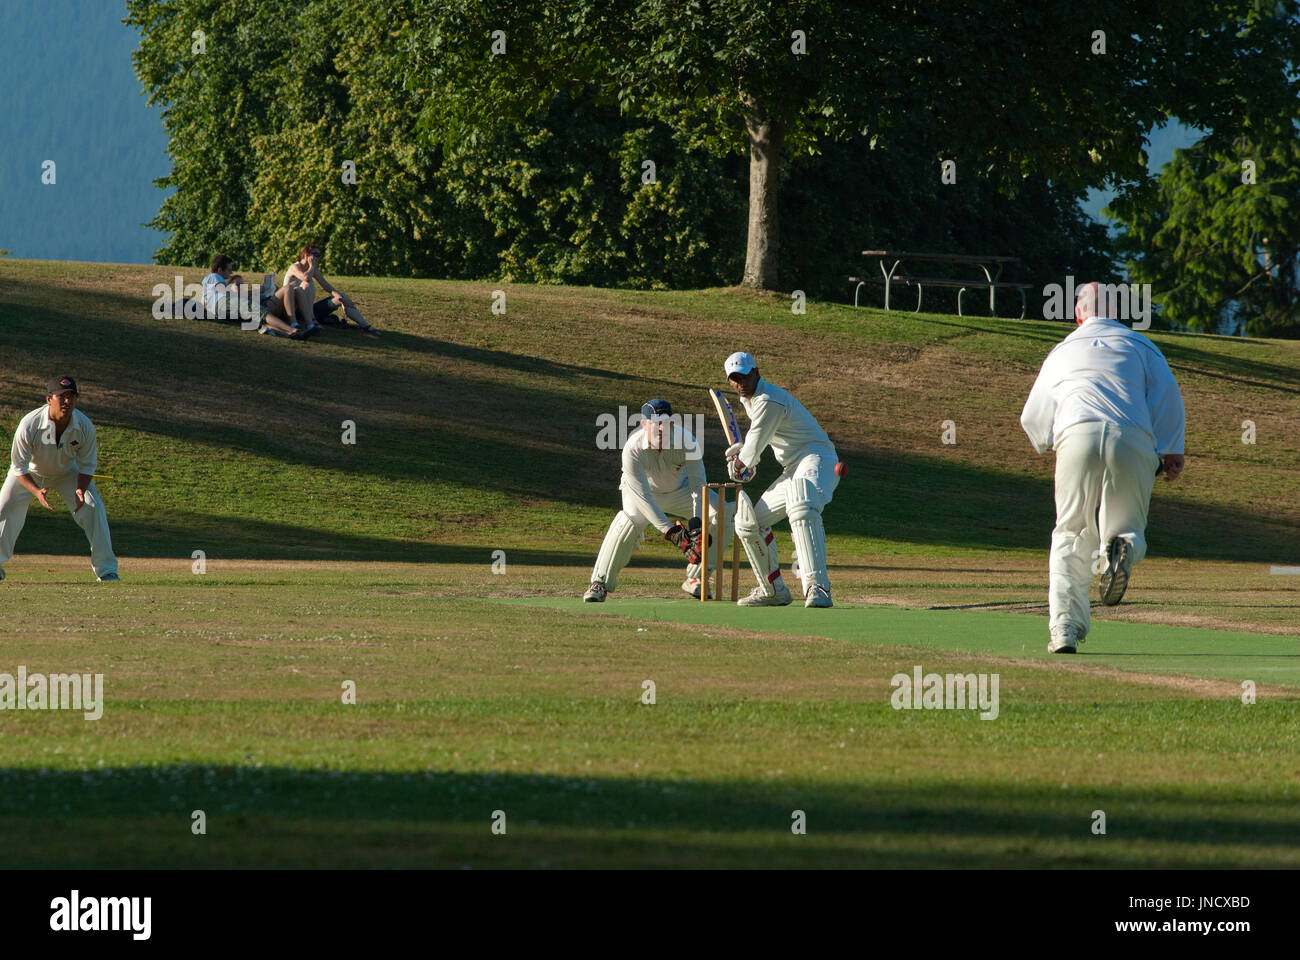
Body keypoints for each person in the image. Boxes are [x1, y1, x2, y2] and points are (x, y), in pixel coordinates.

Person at [1020, 281, 1186, 654]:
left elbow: (1032, 417)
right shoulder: (1142, 345)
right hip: (1133, 437)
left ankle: (1064, 628)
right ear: (1117, 312)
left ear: (1079, 314)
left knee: (1071, 532)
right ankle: (1122, 546)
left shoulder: (1062, 349)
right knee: (1127, 526)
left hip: (1076, 434)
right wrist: (1172, 450)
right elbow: (1168, 398)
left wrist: (1046, 443)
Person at [722, 352, 840, 608]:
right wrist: (745, 461)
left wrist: (742, 464)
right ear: (730, 381)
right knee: (750, 523)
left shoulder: (768, 399)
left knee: (801, 503)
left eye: (744, 375)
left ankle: (817, 587)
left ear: (756, 372)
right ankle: (773, 589)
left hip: (817, 457)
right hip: (793, 466)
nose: (740, 382)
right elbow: (758, 441)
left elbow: (754, 446)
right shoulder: (751, 400)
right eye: (734, 378)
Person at [584, 399, 731, 601]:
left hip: (681, 491)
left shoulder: (687, 442)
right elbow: (643, 497)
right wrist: (672, 532)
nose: (661, 428)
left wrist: (696, 526)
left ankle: (697, 578)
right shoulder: (633, 449)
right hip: (641, 495)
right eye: (656, 422)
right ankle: (599, 583)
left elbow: (699, 487)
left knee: (723, 512)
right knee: (628, 521)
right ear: (645, 424)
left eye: (666, 422)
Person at [0, 377, 119, 582]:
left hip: (67, 474)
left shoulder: (84, 425)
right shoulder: (30, 424)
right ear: (49, 399)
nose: (67, 401)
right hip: (30, 473)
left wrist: (81, 489)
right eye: (62, 396)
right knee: (4, 507)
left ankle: (107, 571)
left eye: (72, 396)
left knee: (94, 508)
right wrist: (36, 491)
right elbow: (18, 466)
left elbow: (87, 464)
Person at [266, 244, 380, 336]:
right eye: (315, 254)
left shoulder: (313, 269)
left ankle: (366, 326)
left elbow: (327, 287)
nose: (317, 257)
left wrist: (341, 299)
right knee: (307, 283)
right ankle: (310, 321)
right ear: (306, 255)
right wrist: (311, 267)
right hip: (292, 310)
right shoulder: (295, 267)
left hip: (307, 309)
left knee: (340, 297)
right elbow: (306, 278)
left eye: (319, 255)